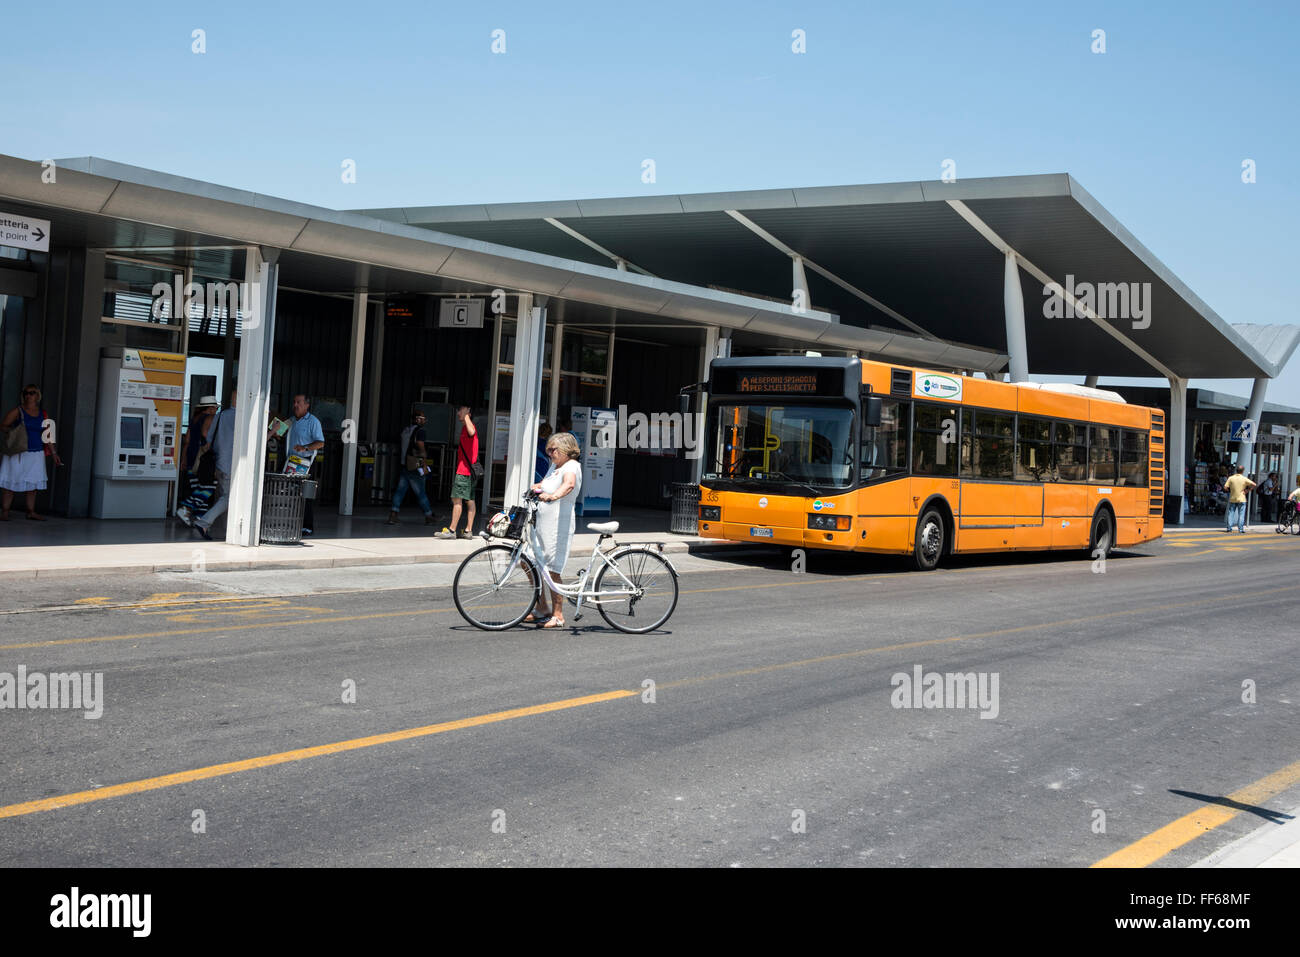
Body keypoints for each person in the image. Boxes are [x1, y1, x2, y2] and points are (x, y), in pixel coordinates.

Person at [527, 431, 583, 629]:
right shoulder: (555, 466)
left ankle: (558, 615)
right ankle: (542, 608)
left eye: (553, 449)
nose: (549, 453)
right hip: (542, 525)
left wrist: (553, 497)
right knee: (529, 562)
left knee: (552, 569)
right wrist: (536, 487)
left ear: (567, 450)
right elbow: (545, 484)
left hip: (558, 525)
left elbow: (568, 485)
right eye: (548, 449)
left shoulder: (572, 466)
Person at [1, 384, 62, 521]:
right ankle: (5, 511)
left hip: (36, 453)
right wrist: (14, 432)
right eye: (26, 393)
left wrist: (53, 453)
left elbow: (47, 435)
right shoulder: (18, 411)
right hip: (18, 452)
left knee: (33, 484)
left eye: (32, 393)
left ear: (37, 395)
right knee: (11, 482)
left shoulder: (43, 413)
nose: (28, 395)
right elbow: (3, 425)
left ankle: (31, 512)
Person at [193, 388, 238, 541]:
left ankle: (227, 531)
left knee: (223, 497)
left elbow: (209, 438)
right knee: (228, 498)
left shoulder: (219, 416)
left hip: (218, 463)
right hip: (231, 465)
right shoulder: (241, 418)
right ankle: (203, 522)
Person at [388, 407, 436, 526]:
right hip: (415, 466)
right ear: (418, 420)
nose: (425, 421)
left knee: (400, 491)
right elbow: (420, 446)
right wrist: (424, 464)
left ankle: (393, 515)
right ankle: (429, 516)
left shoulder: (405, 430)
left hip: (405, 464)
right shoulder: (420, 432)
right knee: (421, 492)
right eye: (423, 418)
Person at [285, 394, 325, 536]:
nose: (295, 405)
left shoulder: (313, 422)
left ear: (307, 405)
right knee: (290, 495)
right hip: (290, 464)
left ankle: (307, 526)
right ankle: (292, 523)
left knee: (306, 496)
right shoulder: (292, 421)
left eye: (299, 402)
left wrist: (305, 448)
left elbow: (320, 442)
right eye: (294, 402)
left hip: (306, 464)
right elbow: (278, 432)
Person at [176, 396, 219, 526]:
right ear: (210, 408)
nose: (216, 410)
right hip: (202, 461)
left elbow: (187, 441)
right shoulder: (209, 419)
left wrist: (184, 459)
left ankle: (200, 519)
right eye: (216, 408)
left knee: (198, 489)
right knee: (209, 487)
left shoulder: (194, 420)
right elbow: (207, 436)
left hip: (190, 458)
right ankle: (185, 508)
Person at [437, 406, 478, 540]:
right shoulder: (466, 427)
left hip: (464, 471)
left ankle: (452, 530)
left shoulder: (469, 427)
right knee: (470, 500)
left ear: (468, 413)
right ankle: (468, 531)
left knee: (457, 499)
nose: (459, 413)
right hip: (471, 471)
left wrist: (466, 416)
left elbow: (471, 432)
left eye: (462, 410)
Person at [1223, 465, 1255, 533]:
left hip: (1233, 498)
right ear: (1243, 471)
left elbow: (1225, 487)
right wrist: (1247, 490)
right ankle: (1240, 529)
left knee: (1231, 513)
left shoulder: (1231, 478)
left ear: (1236, 470)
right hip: (1242, 498)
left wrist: (1231, 491)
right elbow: (1254, 484)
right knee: (1241, 514)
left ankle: (1229, 528)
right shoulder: (1244, 478)